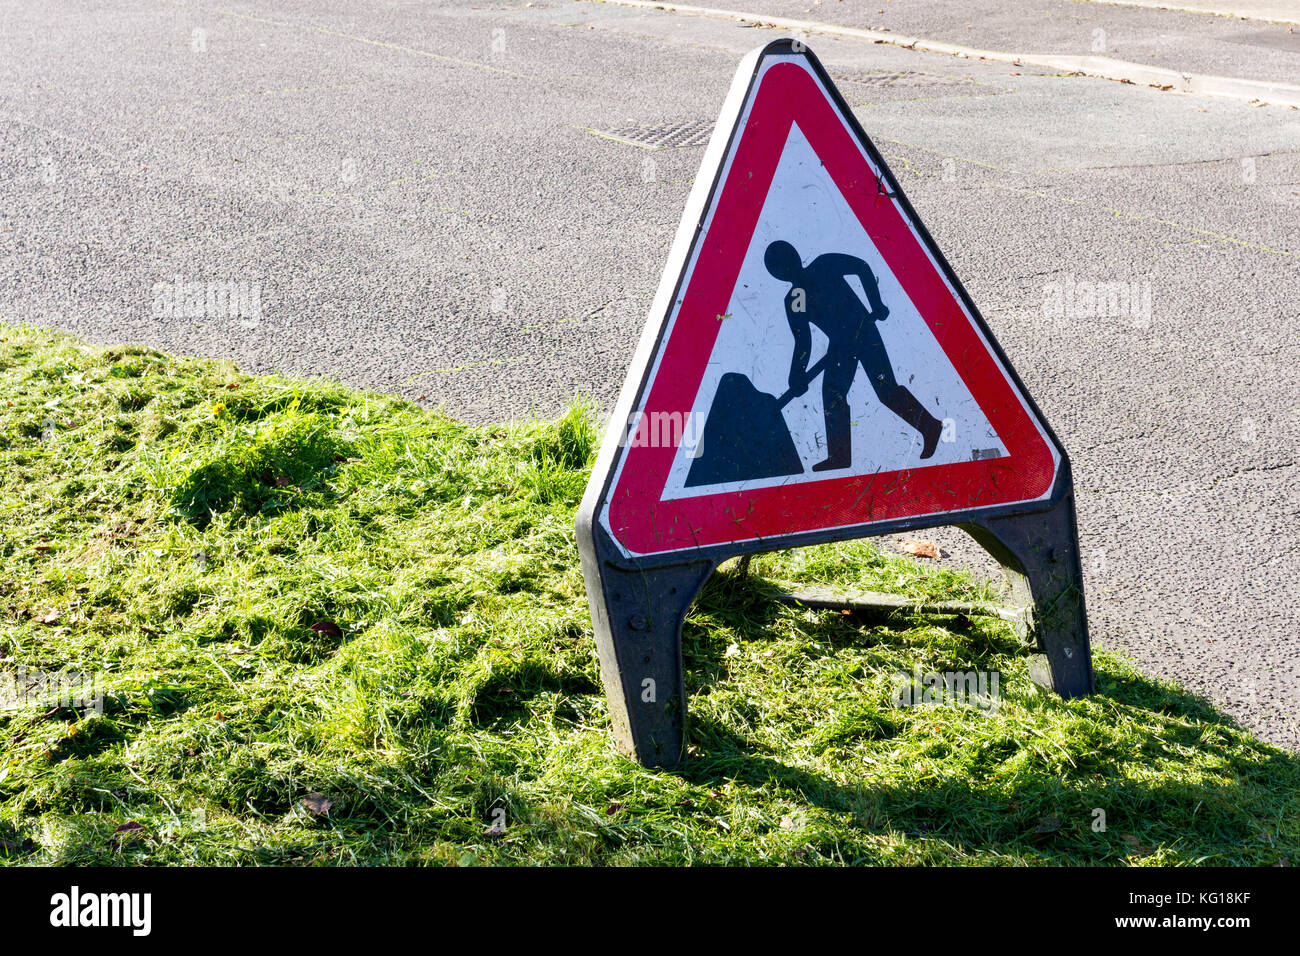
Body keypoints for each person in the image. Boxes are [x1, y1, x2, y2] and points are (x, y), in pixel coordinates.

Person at [765, 240, 943, 471]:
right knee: (832, 394)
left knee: (886, 390)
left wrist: (876, 303)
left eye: (785, 262)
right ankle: (839, 456)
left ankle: (931, 427)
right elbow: (803, 340)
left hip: (865, 332)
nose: (786, 268)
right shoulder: (795, 298)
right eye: (780, 267)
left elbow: (861, 267)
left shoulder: (823, 265)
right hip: (840, 348)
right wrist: (796, 374)